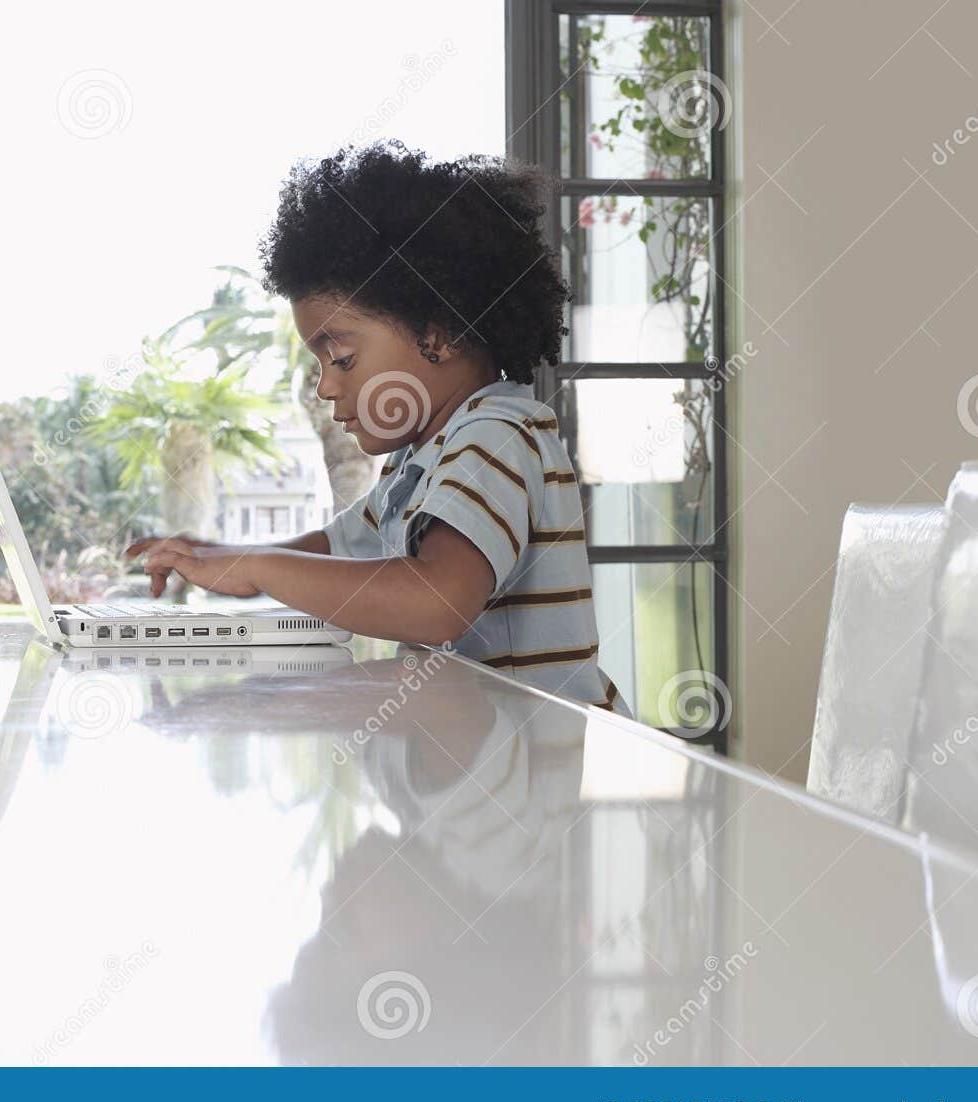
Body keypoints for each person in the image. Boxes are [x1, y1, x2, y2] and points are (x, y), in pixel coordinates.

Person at [128, 141, 626, 714]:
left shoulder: (497, 436)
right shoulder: (419, 461)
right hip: (483, 750)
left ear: (438, 336)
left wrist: (258, 568)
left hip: (537, 757)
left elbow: (437, 602)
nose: (325, 387)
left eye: (341, 359)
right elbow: (334, 551)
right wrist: (219, 556)